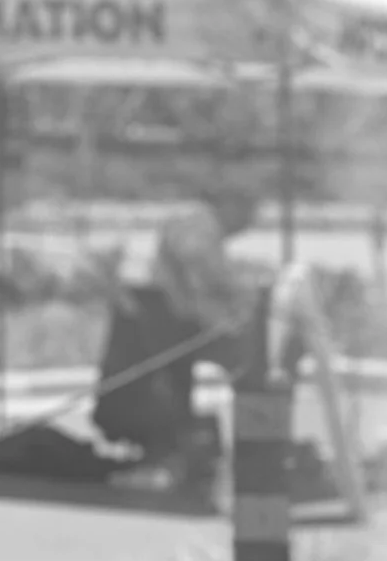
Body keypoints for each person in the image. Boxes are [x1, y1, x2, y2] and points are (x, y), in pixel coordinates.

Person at [93, 188, 263, 480]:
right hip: (150, 305)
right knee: (164, 380)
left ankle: (169, 451)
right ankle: (165, 453)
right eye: (246, 216)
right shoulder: (200, 225)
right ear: (230, 205)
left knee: (172, 379)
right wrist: (236, 300)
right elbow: (204, 275)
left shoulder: (199, 224)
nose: (247, 226)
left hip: (151, 305)